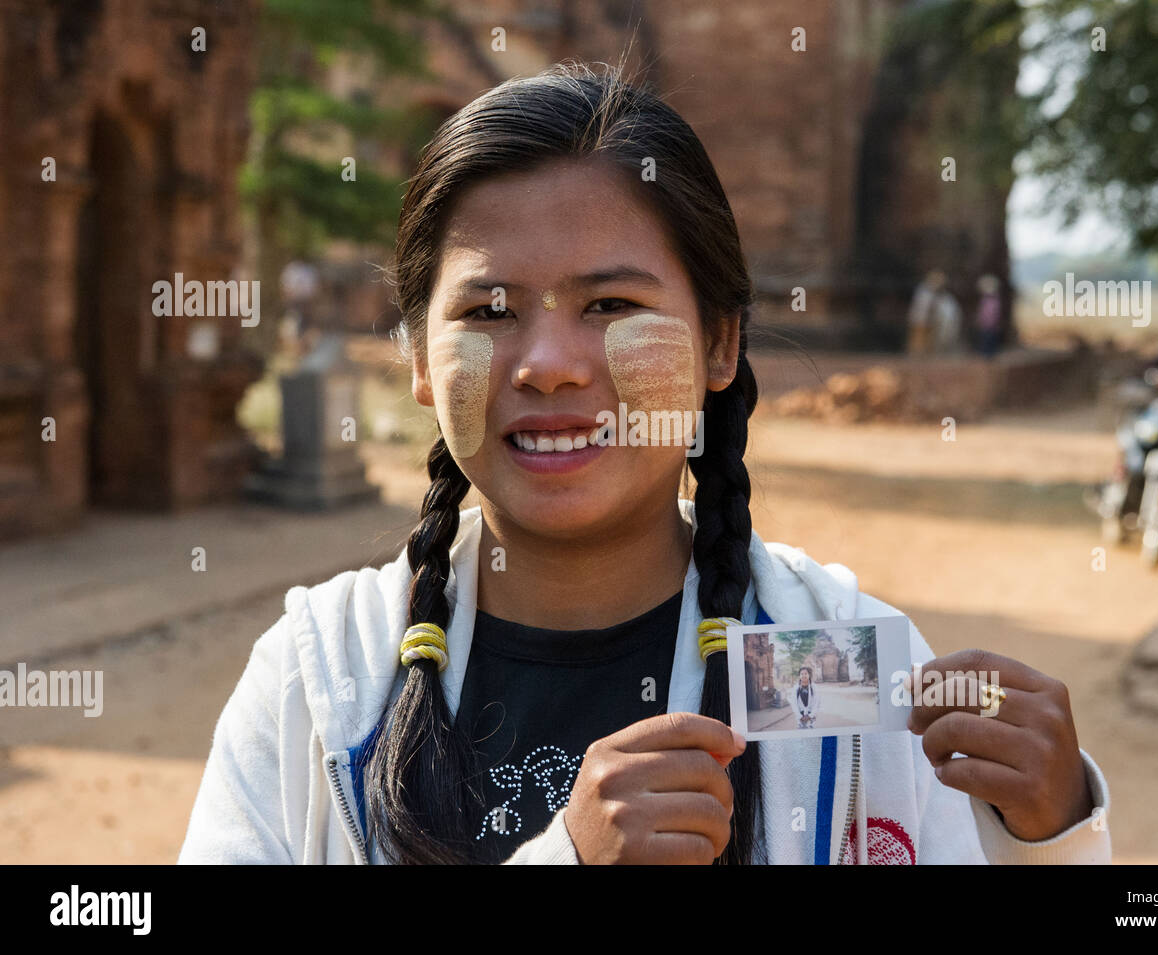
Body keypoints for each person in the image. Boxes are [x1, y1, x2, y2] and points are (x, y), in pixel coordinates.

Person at [178, 62, 1111, 865]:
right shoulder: (325, 678)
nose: (548, 364)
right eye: (491, 311)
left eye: (613, 303)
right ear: (421, 361)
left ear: (718, 343)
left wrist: (1053, 830)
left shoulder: (827, 664)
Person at [975, 274, 1002, 359]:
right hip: (986, 325)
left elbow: (994, 313)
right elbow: (983, 312)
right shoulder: (985, 300)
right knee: (985, 339)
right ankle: (987, 354)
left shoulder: (994, 301)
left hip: (991, 325)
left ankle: (989, 354)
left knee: (990, 340)